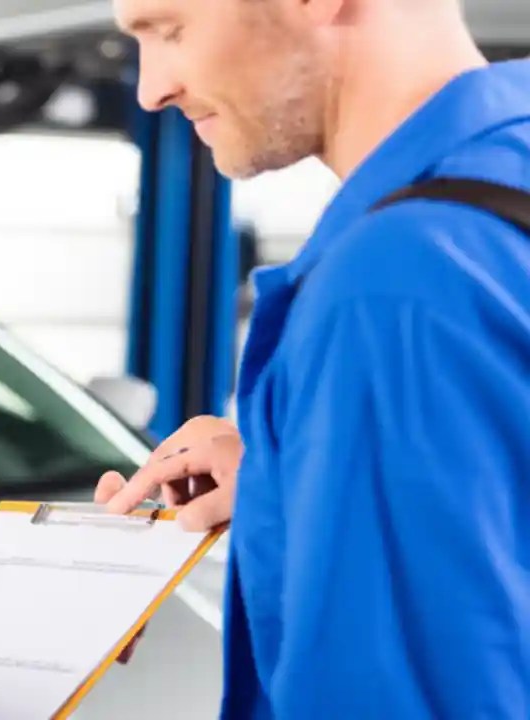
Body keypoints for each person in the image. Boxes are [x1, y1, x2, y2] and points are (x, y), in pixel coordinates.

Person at [98, 0, 530, 717]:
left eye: (172, 30)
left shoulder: (390, 287)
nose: (152, 90)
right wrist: (296, 475)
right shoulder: (505, 171)